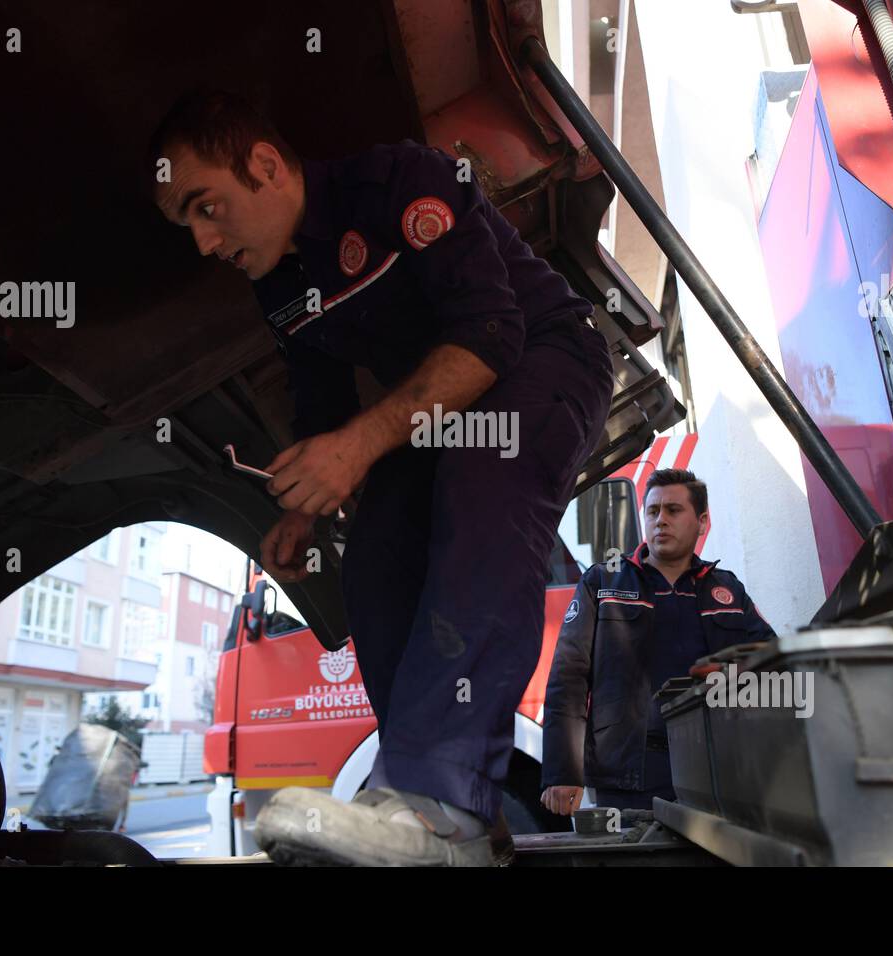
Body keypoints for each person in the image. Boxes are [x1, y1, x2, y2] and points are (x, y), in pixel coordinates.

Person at [151, 91, 614, 865]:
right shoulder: (279, 287)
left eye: (207, 207)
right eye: (186, 225)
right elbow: (323, 404)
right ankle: (447, 819)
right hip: (434, 412)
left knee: (480, 491)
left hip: (542, 357)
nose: (202, 242)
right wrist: (303, 508)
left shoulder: (404, 183)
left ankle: (439, 802)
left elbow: (490, 334)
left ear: (265, 165)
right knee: (374, 557)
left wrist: (357, 447)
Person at [540, 468, 775, 816]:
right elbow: (568, 677)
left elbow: (769, 662)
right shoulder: (601, 582)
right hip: (628, 775)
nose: (660, 520)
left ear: (702, 521)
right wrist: (562, 771)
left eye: (673, 510)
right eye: (652, 511)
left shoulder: (727, 590)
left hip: (717, 769)